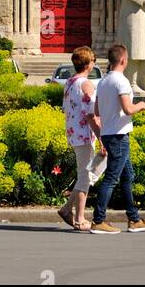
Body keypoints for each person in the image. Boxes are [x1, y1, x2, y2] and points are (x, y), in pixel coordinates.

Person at [90, 43, 145, 234]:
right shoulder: (122, 81)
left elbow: (97, 111)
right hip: (119, 135)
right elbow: (128, 109)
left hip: (109, 133)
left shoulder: (103, 81)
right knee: (112, 178)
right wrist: (141, 105)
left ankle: (133, 218)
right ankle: (98, 220)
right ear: (124, 60)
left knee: (127, 176)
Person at [58, 46, 103, 232]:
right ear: (88, 63)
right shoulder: (85, 84)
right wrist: (102, 138)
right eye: (93, 60)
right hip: (84, 133)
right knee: (85, 175)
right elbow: (91, 115)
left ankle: (67, 208)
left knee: (85, 173)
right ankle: (79, 218)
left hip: (74, 132)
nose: (94, 64)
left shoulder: (70, 81)